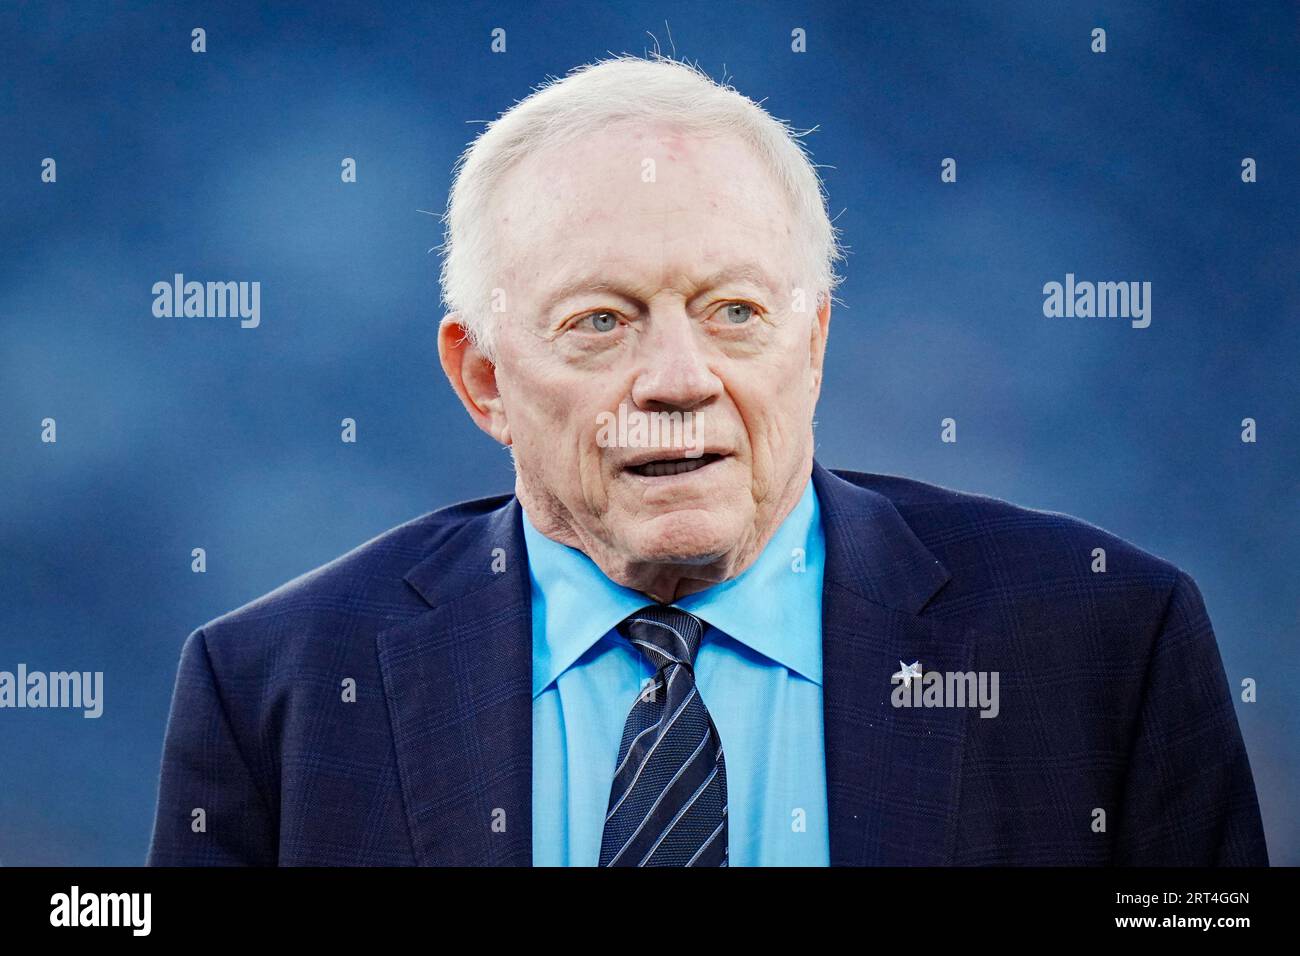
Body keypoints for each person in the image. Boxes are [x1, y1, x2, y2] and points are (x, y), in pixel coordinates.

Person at [147, 55, 1268, 866]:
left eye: (733, 310)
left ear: (814, 342)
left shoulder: (1105, 640)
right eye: (601, 320)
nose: (678, 375)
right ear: (482, 378)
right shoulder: (270, 690)